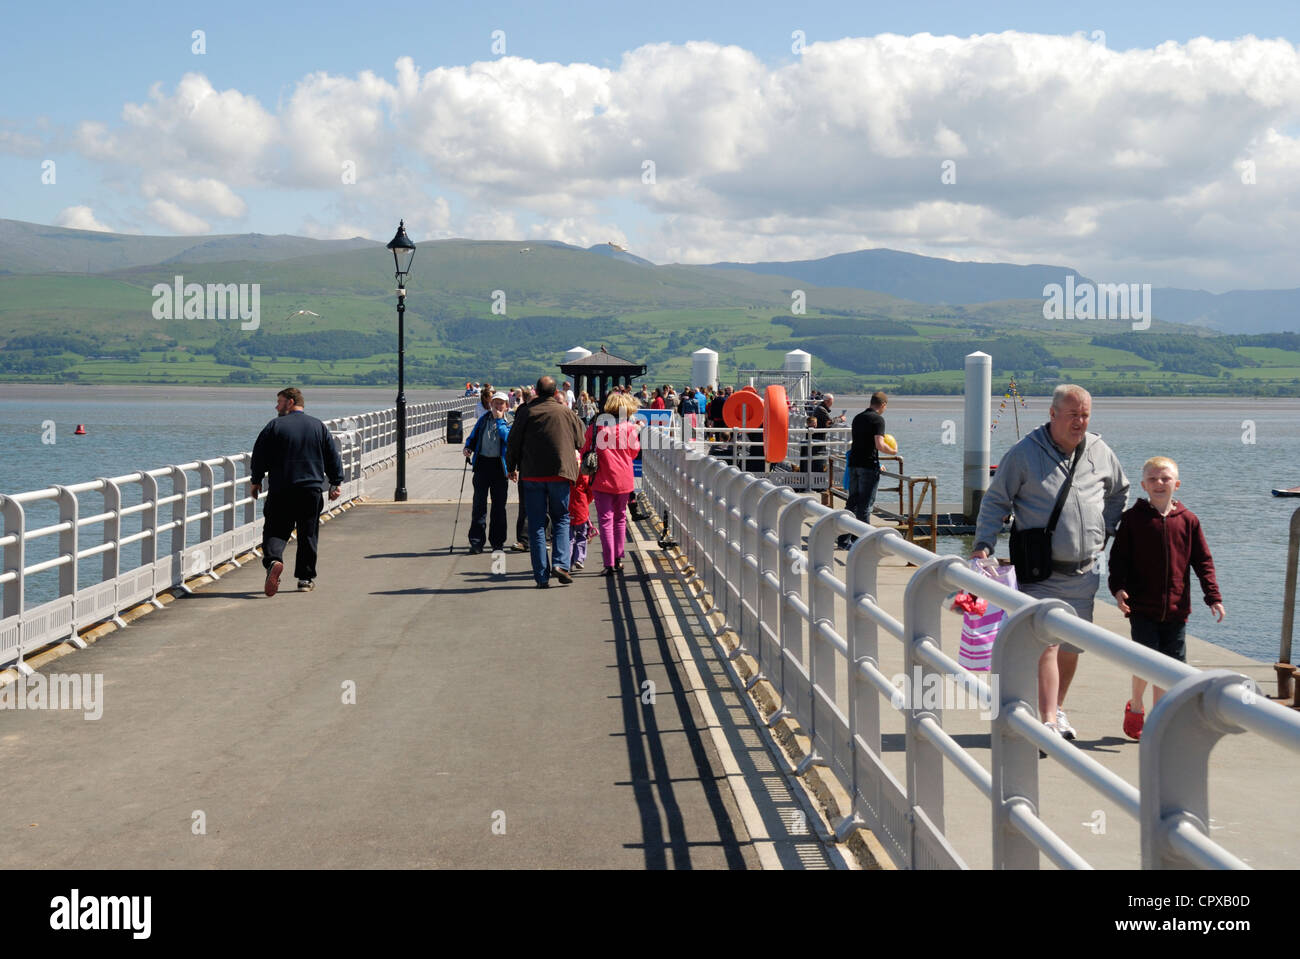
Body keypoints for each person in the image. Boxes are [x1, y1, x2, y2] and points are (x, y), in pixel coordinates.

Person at [972, 384, 1129, 740]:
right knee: (1047, 644)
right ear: (1053, 414)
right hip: (1039, 572)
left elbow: (1120, 490)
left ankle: (1055, 708)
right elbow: (996, 501)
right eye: (1073, 414)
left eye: (1085, 415)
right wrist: (983, 544)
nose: (1080, 422)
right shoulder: (1024, 454)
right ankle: (1047, 721)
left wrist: (1103, 529)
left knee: (1071, 647)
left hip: (1084, 572)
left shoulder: (1100, 451)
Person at [1108, 456, 1224, 740]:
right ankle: (1136, 705)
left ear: (1177, 484)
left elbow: (1203, 561)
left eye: (1165, 479)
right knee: (1146, 661)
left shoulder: (1188, 520)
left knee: (1171, 666)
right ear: (1144, 485)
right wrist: (1118, 588)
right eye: (1153, 479)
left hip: (1176, 608)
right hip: (1142, 606)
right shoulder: (1133, 519)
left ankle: (1159, 717)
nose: (1160, 484)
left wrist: (1213, 597)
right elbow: (1118, 559)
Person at [250, 387, 343, 595]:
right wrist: (336, 483)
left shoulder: (274, 426)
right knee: (308, 533)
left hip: (282, 488)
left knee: (275, 529)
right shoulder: (318, 426)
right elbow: (332, 457)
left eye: (279, 401)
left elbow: (259, 455)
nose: (276, 406)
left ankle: (274, 560)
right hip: (310, 490)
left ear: (290, 402)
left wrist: (256, 481)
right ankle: (305, 578)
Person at [506, 376, 585, 588]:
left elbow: (513, 442)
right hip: (560, 473)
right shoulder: (566, 412)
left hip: (532, 474)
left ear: (537, 392)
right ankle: (560, 564)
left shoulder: (527, 412)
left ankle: (541, 576)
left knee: (537, 524)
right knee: (561, 519)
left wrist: (511, 467)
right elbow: (581, 440)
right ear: (555, 391)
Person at [583, 391, 642, 575]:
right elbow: (634, 453)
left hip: (601, 478)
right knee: (620, 518)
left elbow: (585, 448)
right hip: (623, 479)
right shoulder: (629, 428)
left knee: (605, 520)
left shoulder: (597, 427)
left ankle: (608, 563)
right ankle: (618, 557)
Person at [838, 392, 890, 549]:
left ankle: (844, 539)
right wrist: (893, 452)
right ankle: (864, 543)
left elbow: (861, 443)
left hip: (854, 464)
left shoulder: (858, 418)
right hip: (868, 466)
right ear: (883, 405)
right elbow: (879, 444)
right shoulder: (878, 420)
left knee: (852, 502)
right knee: (865, 506)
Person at [463, 391, 512, 554]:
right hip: (482, 464)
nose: (498, 406)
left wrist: (499, 421)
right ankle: (476, 542)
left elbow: (508, 439)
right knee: (479, 505)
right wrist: (468, 447)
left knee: (499, 507)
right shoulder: (483, 419)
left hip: (499, 467)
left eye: (501, 404)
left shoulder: (509, 421)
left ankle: (497, 542)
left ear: (506, 406)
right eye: (495, 403)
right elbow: (473, 436)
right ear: (491, 404)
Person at [569, 470, 594, 571]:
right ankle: (579, 559)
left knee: (569, 538)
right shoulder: (585, 476)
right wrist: (586, 503)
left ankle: (567, 562)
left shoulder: (567, 476)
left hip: (568, 509)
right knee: (581, 535)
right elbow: (590, 493)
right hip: (582, 509)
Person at [807, 392, 834, 474]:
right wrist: (840, 419)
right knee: (818, 458)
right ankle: (817, 475)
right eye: (832, 401)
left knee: (816, 458)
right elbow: (829, 422)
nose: (832, 403)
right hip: (818, 438)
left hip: (817, 437)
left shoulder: (819, 408)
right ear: (828, 401)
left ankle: (815, 473)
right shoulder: (821, 409)